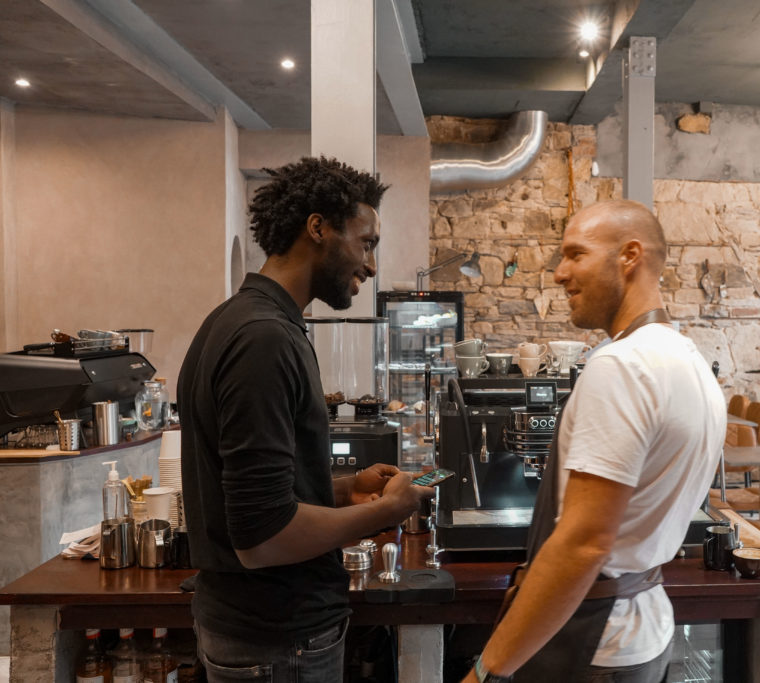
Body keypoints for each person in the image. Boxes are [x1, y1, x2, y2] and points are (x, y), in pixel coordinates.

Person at [178, 156, 434, 682]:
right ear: (317, 227)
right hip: (279, 638)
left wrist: (343, 490)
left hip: (260, 630)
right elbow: (262, 539)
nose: (370, 265)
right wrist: (388, 510)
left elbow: (255, 495)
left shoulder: (242, 321)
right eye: (366, 244)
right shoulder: (264, 339)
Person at [464, 199, 726, 683]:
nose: (560, 273)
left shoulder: (621, 366)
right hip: (644, 627)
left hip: (593, 639)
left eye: (575, 254)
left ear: (630, 256)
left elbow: (583, 544)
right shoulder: (688, 360)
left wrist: (486, 671)